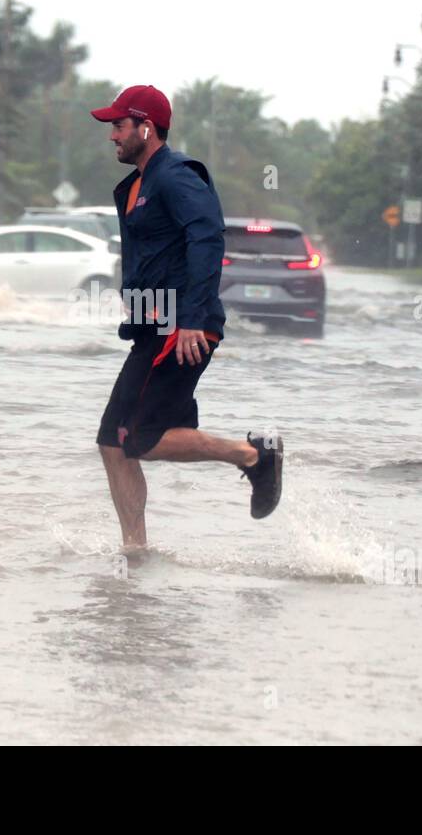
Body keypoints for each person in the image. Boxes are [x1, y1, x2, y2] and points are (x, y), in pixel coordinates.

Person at [90, 85, 283, 550]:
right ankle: (135, 550)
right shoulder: (138, 183)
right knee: (112, 442)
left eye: (119, 125)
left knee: (140, 439)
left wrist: (193, 318)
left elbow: (208, 237)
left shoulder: (175, 176)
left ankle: (254, 456)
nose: (112, 135)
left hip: (182, 328)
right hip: (153, 329)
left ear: (146, 127)